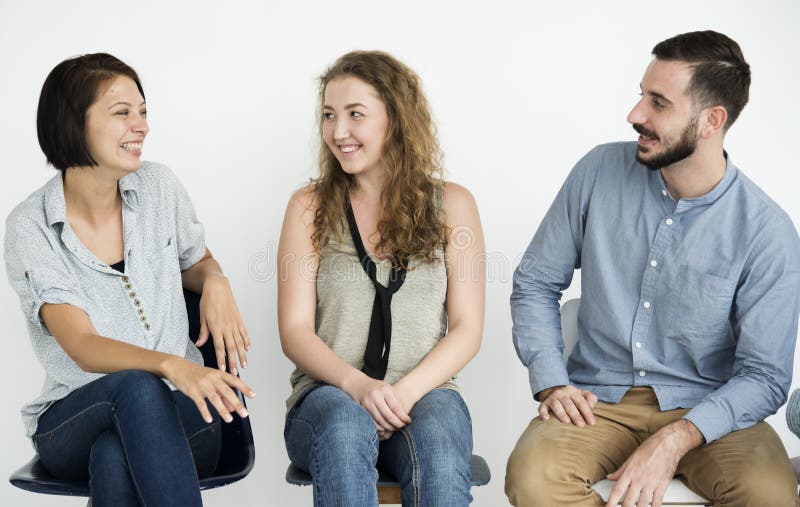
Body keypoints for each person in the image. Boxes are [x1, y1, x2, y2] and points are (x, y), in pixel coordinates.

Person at [505, 31, 800, 507]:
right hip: (596, 403)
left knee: (769, 493)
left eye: (658, 103)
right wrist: (552, 378)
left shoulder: (767, 232)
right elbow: (536, 281)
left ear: (711, 121)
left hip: (712, 412)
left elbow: (765, 375)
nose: (635, 115)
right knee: (534, 479)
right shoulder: (597, 171)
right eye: (641, 95)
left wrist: (680, 435)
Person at [4, 53, 255, 507]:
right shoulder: (31, 225)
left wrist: (215, 280)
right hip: (73, 418)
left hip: (187, 415)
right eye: (122, 113)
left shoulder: (160, 187)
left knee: (115, 453)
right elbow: (81, 345)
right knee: (138, 388)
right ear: (72, 122)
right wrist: (172, 365)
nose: (140, 126)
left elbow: (197, 262)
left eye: (143, 112)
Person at [278, 50, 485, 506]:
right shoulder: (307, 208)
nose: (338, 132)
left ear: (397, 118)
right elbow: (294, 332)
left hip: (427, 395)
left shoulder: (454, 205)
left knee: (436, 445)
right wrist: (360, 388)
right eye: (329, 116)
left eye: (356, 114)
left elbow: (468, 329)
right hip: (328, 398)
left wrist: (401, 394)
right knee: (345, 425)